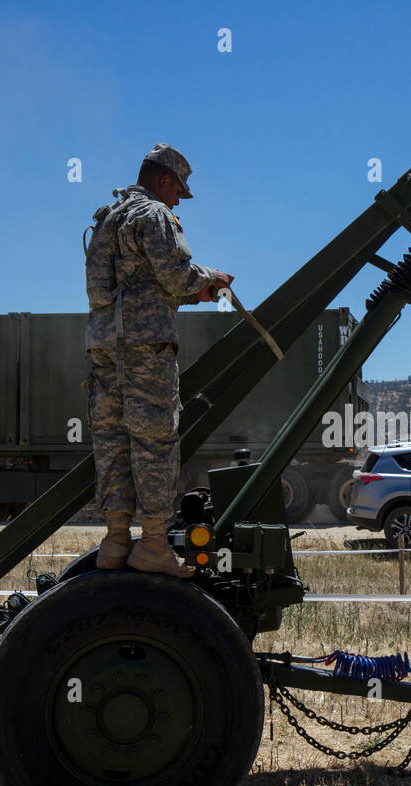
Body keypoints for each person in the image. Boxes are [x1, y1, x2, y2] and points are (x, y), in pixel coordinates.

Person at [83, 143, 232, 575]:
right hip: (146, 351)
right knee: (153, 443)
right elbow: (174, 276)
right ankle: (151, 544)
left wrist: (189, 293)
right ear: (164, 180)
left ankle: (114, 542)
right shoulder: (153, 215)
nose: (177, 202)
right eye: (177, 193)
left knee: (113, 444)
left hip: (104, 349)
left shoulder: (105, 220)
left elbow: (120, 290)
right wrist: (212, 280)